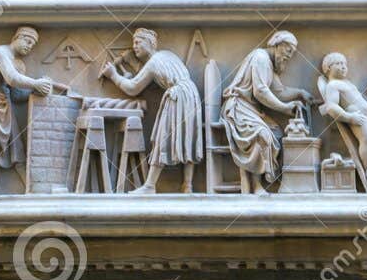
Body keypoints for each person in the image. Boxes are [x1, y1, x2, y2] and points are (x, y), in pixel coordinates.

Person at [100, 28, 203, 193]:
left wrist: (113, 75)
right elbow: (147, 76)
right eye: (133, 43)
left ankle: (149, 186)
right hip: (190, 94)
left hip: (177, 96)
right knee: (187, 136)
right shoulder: (167, 55)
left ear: (150, 43)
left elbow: (134, 87)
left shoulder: (154, 62)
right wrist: (129, 68)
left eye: (138, 42)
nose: (134, 46)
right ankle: (188, 185)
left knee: (163, 136)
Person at [0, 26, 53, 195]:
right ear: (16, 37)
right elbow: (12, 78)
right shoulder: (0, 52)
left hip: (4, 101)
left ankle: (30, 188)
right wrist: (35, 83)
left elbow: (16, 94)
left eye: (33, 45)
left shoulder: (17, 63)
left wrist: (36, 90)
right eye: (27, 41)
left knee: (16, 144)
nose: (29, 46)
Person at [221, 30, 309, 193]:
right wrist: (284, 108)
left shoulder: (269, 64)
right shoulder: (260, 58)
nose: (289, 56)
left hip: (251, 109)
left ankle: (280, 180)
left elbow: (279, 91)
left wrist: (299, 93)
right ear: (277, 45)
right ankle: (255, 186)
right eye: (288, 50)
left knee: (276, 132)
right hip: (238, 107)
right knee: (263, 134)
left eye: (292, 52)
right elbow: (260, 91)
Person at [317, 51, 367, 187]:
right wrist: (350, 117)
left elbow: (361, 96)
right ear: (328, 68)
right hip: (356, 115)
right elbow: (331, 107)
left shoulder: (346, 82)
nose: (343, 67)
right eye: (339, 64)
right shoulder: (333, 85)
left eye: (344, 64)